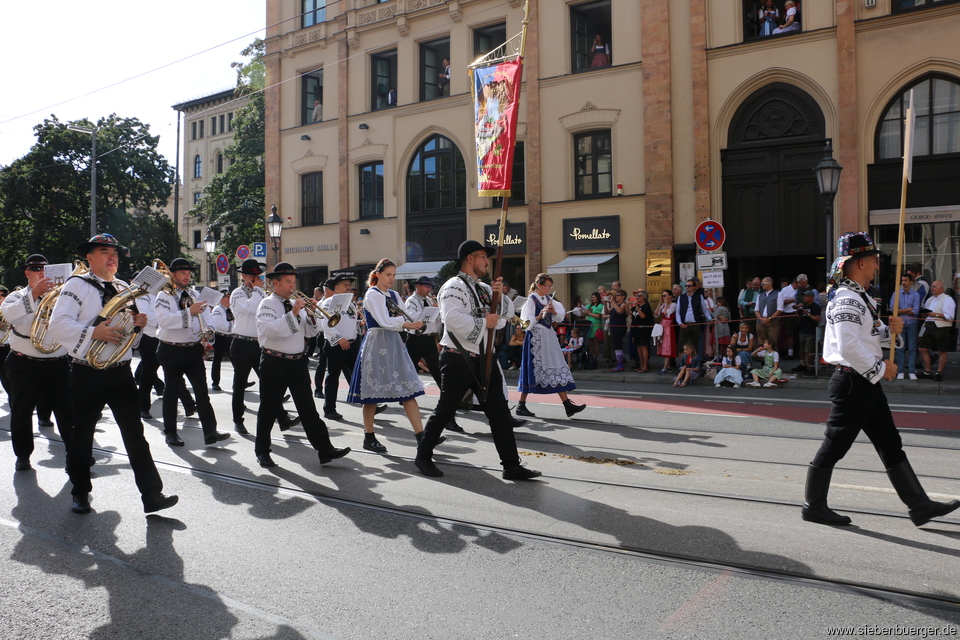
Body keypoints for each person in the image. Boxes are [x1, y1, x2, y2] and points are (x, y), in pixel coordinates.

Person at [802, 231, 959, 527]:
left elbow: (865, 336)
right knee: (835, 444)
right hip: (853, 382)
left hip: (862, 382)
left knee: (890, 442)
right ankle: (813, 505)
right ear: (860, 263)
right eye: (873, 260)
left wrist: (890, 331)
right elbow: (848, 347)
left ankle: (919, 505)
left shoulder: (857, 296)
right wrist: (880, 367)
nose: (877, 266)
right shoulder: (849, 298)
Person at [48, 233, 177, 515]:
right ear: (90, 258)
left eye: (115, 254)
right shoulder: (76, 285)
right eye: (105, 252)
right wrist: (93, 331)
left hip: (120, 372)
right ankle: (80, 492)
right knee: (82, 434)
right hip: (87, 372)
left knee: (136, 436)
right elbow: (57, 325)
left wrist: (138, 323)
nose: (112, 258)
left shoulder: (123, 287)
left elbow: (131, 332)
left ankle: (152, 496)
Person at [415, 240, 541, 480]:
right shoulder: (453, 286)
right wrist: (486, 322)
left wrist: (497, 294)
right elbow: (452, 320)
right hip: (458, 358)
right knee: (445, 410)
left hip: (485, 358)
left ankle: (511, 465)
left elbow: (505, 313)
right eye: (483, 256)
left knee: (499, 412)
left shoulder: (483, 287)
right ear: (470, 259)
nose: (487, 261)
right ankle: (422, 456)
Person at [253, 262, 351, 469]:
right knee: (269, 408)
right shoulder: (267, 304)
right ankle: (262, 451)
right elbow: (271, 331)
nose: (291, 286)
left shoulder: (295, 303)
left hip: (297, 362)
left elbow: (309, 333)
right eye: (287, 282)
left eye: (293, 282)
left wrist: (313, 316)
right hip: (274, 361)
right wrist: (294, 313)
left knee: (308, 408)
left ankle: (325, 449)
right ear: (275, 283)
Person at [347, 259, 429, 454]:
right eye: (388, 275)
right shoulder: (372, 294)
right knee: (371, 395)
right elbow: (383, 320)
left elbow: (406, 315)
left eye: (393, 275)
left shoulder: (393, 294)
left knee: (409, 388)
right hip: (377, 342)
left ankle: (422, 436)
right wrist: (407, 324)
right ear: (378, 275)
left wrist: (421, 319)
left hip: (393, 342)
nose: (392, 278)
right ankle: (369, 436)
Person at [1, 254, 73, 471]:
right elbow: (9, 314)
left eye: (45, 270)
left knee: (67, 412)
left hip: (58, 362)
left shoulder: (62, 297)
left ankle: (75, 453)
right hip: (25, 364)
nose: (41, 273)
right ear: (27, 273)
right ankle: (23, 455)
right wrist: (34, 294)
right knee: (22, 411)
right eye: (36, 270)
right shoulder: (17, 296)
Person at [154, 258, 232, 448]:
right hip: (171, 348)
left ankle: (210, 432)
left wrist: (210, 331)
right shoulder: (164, 295)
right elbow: (165, 321)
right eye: (183, 273)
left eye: (189, 274)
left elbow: (207, 317)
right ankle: (170, 432)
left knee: (202, 393)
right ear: (173, 275)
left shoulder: (195, 293)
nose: (187, 277)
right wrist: (190, 312)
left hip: (193, 348)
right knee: (171, 393)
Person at [228, 259, 299, 435]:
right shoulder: (237, 294)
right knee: (239, 384)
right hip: (242, 342)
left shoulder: (259, 292)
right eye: (251, 275)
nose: (255, 278)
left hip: (258, 344)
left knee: (269, 385)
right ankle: (238, 420)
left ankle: (282, 418)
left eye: (257, 275)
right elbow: (251, 308)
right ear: (243, 276)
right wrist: (256, 291)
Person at [515, 274, 586, 418]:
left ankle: (567, 404)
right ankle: (521, 405)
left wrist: (553, 311)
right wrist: (538, 316)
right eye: (546, 285)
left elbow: (560, 317)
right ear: (538, 285)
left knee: (556, 366)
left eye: (550, 286)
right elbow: (525, 324)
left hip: (548, 336)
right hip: (535, 338)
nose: (548, 288)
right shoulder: (531, 300)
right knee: (533, 370)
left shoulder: (548, 299)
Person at [135, 286, 196, 421]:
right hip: (150, 338)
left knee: (175, 374)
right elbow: (146, 315)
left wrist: (171, 319)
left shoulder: (169, 294)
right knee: (148, 373)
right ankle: (143, 407)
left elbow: (180, 312)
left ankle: (189, 405)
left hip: (168, 338)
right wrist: (167, 321)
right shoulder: (143, 295)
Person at [319, 275, 361, 420]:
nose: (349, 287)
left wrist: (359, 325)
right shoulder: (329, 302)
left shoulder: (350, 303)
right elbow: (325, 324)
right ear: (336, 288)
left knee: (358, 375)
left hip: (351, 344)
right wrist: (339, 339)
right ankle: (329, 409)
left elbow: (349, 321)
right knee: (333, 377)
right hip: (336, 345)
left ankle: (367, 404)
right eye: (345, 285)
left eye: (349, 285)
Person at [918, 280, 956, 382]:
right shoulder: (930, 299)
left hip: (941, 327)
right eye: (932, 287)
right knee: (922, 348)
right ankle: (927, 371)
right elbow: (926, 312)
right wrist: (924, 314)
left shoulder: (947, 299)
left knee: (942, 350)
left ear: (941, 288)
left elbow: (950, 316)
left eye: (934, 287)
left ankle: (939, 372)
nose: (932, 288)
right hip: (929, 325)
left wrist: (936, 314)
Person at [890, 274, 920, 380]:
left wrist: (900, 311)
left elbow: (916, 311)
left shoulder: (916, 295)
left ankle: (911, 371)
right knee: (900, 348)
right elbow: (893, 311)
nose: (903, 282)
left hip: (912, 324)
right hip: (900, 324)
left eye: (906, 280)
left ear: (911, 282)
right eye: (902, 280)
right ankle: (900, 371)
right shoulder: (896, 294)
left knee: (912, 348)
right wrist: (908, 310)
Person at [209, 289, 234, 391]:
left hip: (231, 337)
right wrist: (232, 326)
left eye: (229, 297)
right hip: (221, 337)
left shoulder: (231, 309)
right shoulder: (217, 310)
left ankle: (241, 382)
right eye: (227, 297)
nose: (229, 299)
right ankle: (215, 382)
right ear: (221, 299)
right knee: (217, 359)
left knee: (236, 360)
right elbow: (217, 324)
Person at [793, 289, 821, 375]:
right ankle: (803, 364)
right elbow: (800, 319)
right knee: (801, 349)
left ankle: (810, 368)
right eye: (803, 296)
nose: (804, 298)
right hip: (802, 330)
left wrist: (808, 313)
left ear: (812, 297)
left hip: (811, 331)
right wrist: (799, 313)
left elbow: (817, 319)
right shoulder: (803, 306)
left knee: (808, 351)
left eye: (806, 296)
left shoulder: (815, 307)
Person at [754, 277, 782, 353]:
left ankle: (773, 361)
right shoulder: (760, 295)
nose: (761, 285)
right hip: (760, 322)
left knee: (772, 342)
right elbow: (756, 310)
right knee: (761, 342)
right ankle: (763, 360)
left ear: (770, 284)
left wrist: (769, 319)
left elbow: (779, 309)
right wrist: (761, 319)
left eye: (763, 284)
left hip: (773, 322)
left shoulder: (778, 294)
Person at [631, 290, 655, 373]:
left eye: (639, 296)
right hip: (636, 329)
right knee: (638, 347)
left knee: (644, 347)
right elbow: (629, 313)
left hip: (644, 329)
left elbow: (643, 316)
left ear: (644, 297)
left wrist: (637, 307)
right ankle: (641, 365)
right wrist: (628, 305)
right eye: (637, 296)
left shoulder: (646, 306)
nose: (637, 297)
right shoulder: (636, 306)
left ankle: (645, 366)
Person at [607, 290, 629, 371]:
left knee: (617, 345)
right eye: (616, 295)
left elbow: (619, 311)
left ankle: (620, 364)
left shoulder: (623, 304)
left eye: (618, 295)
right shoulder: (615, 304)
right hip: (613, 326)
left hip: (619, 327)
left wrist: (613, 302)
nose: (616, 296)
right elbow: (607, 312)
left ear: (623, 296)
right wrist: (605, 304)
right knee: (615, 345)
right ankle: (620, 362)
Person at [656, 290, 677, 374]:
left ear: (670, 296)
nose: (663, 297)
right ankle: (668, 366)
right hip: (663, 325)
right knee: (663, 345)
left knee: (667, 345)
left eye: (665, 295)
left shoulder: (673, 305)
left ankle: (665, 367)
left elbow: (666, 313)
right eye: (663, 295)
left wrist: (667, 304)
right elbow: (656, 313)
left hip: (669, 326)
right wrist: (660, 303)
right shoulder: (663, 305)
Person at [584, 292, 604, 363]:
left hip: (596, 325)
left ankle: (596, 357)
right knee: (589, 343)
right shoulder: (589, 305)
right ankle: (591, 356)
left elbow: (598, 316)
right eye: (592, 297)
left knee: (596, 342)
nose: (593, 298)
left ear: (598, 298)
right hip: (589, 325)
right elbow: (584, 312)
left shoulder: (600, 305)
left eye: (594, 297)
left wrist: (588, 313)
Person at [0, 283, 12, 401]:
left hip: (8, 347)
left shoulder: (10, 310)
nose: (0, 298)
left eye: (3, 295)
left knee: (10, 379)